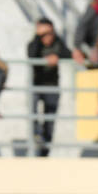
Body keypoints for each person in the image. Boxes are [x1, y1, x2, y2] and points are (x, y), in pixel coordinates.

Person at [27, 17, 68, 156]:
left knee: (49, 123)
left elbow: (68, 53)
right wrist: (38, 37)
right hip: (37, 85)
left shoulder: (58, 42)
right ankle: (37, 138)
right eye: (44, 34)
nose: (47, 37)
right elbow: (31, 53)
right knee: (33, 115)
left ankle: (44, 154)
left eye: (49, 33)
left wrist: (57, 56)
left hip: (52, 86)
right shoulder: (35, 43)